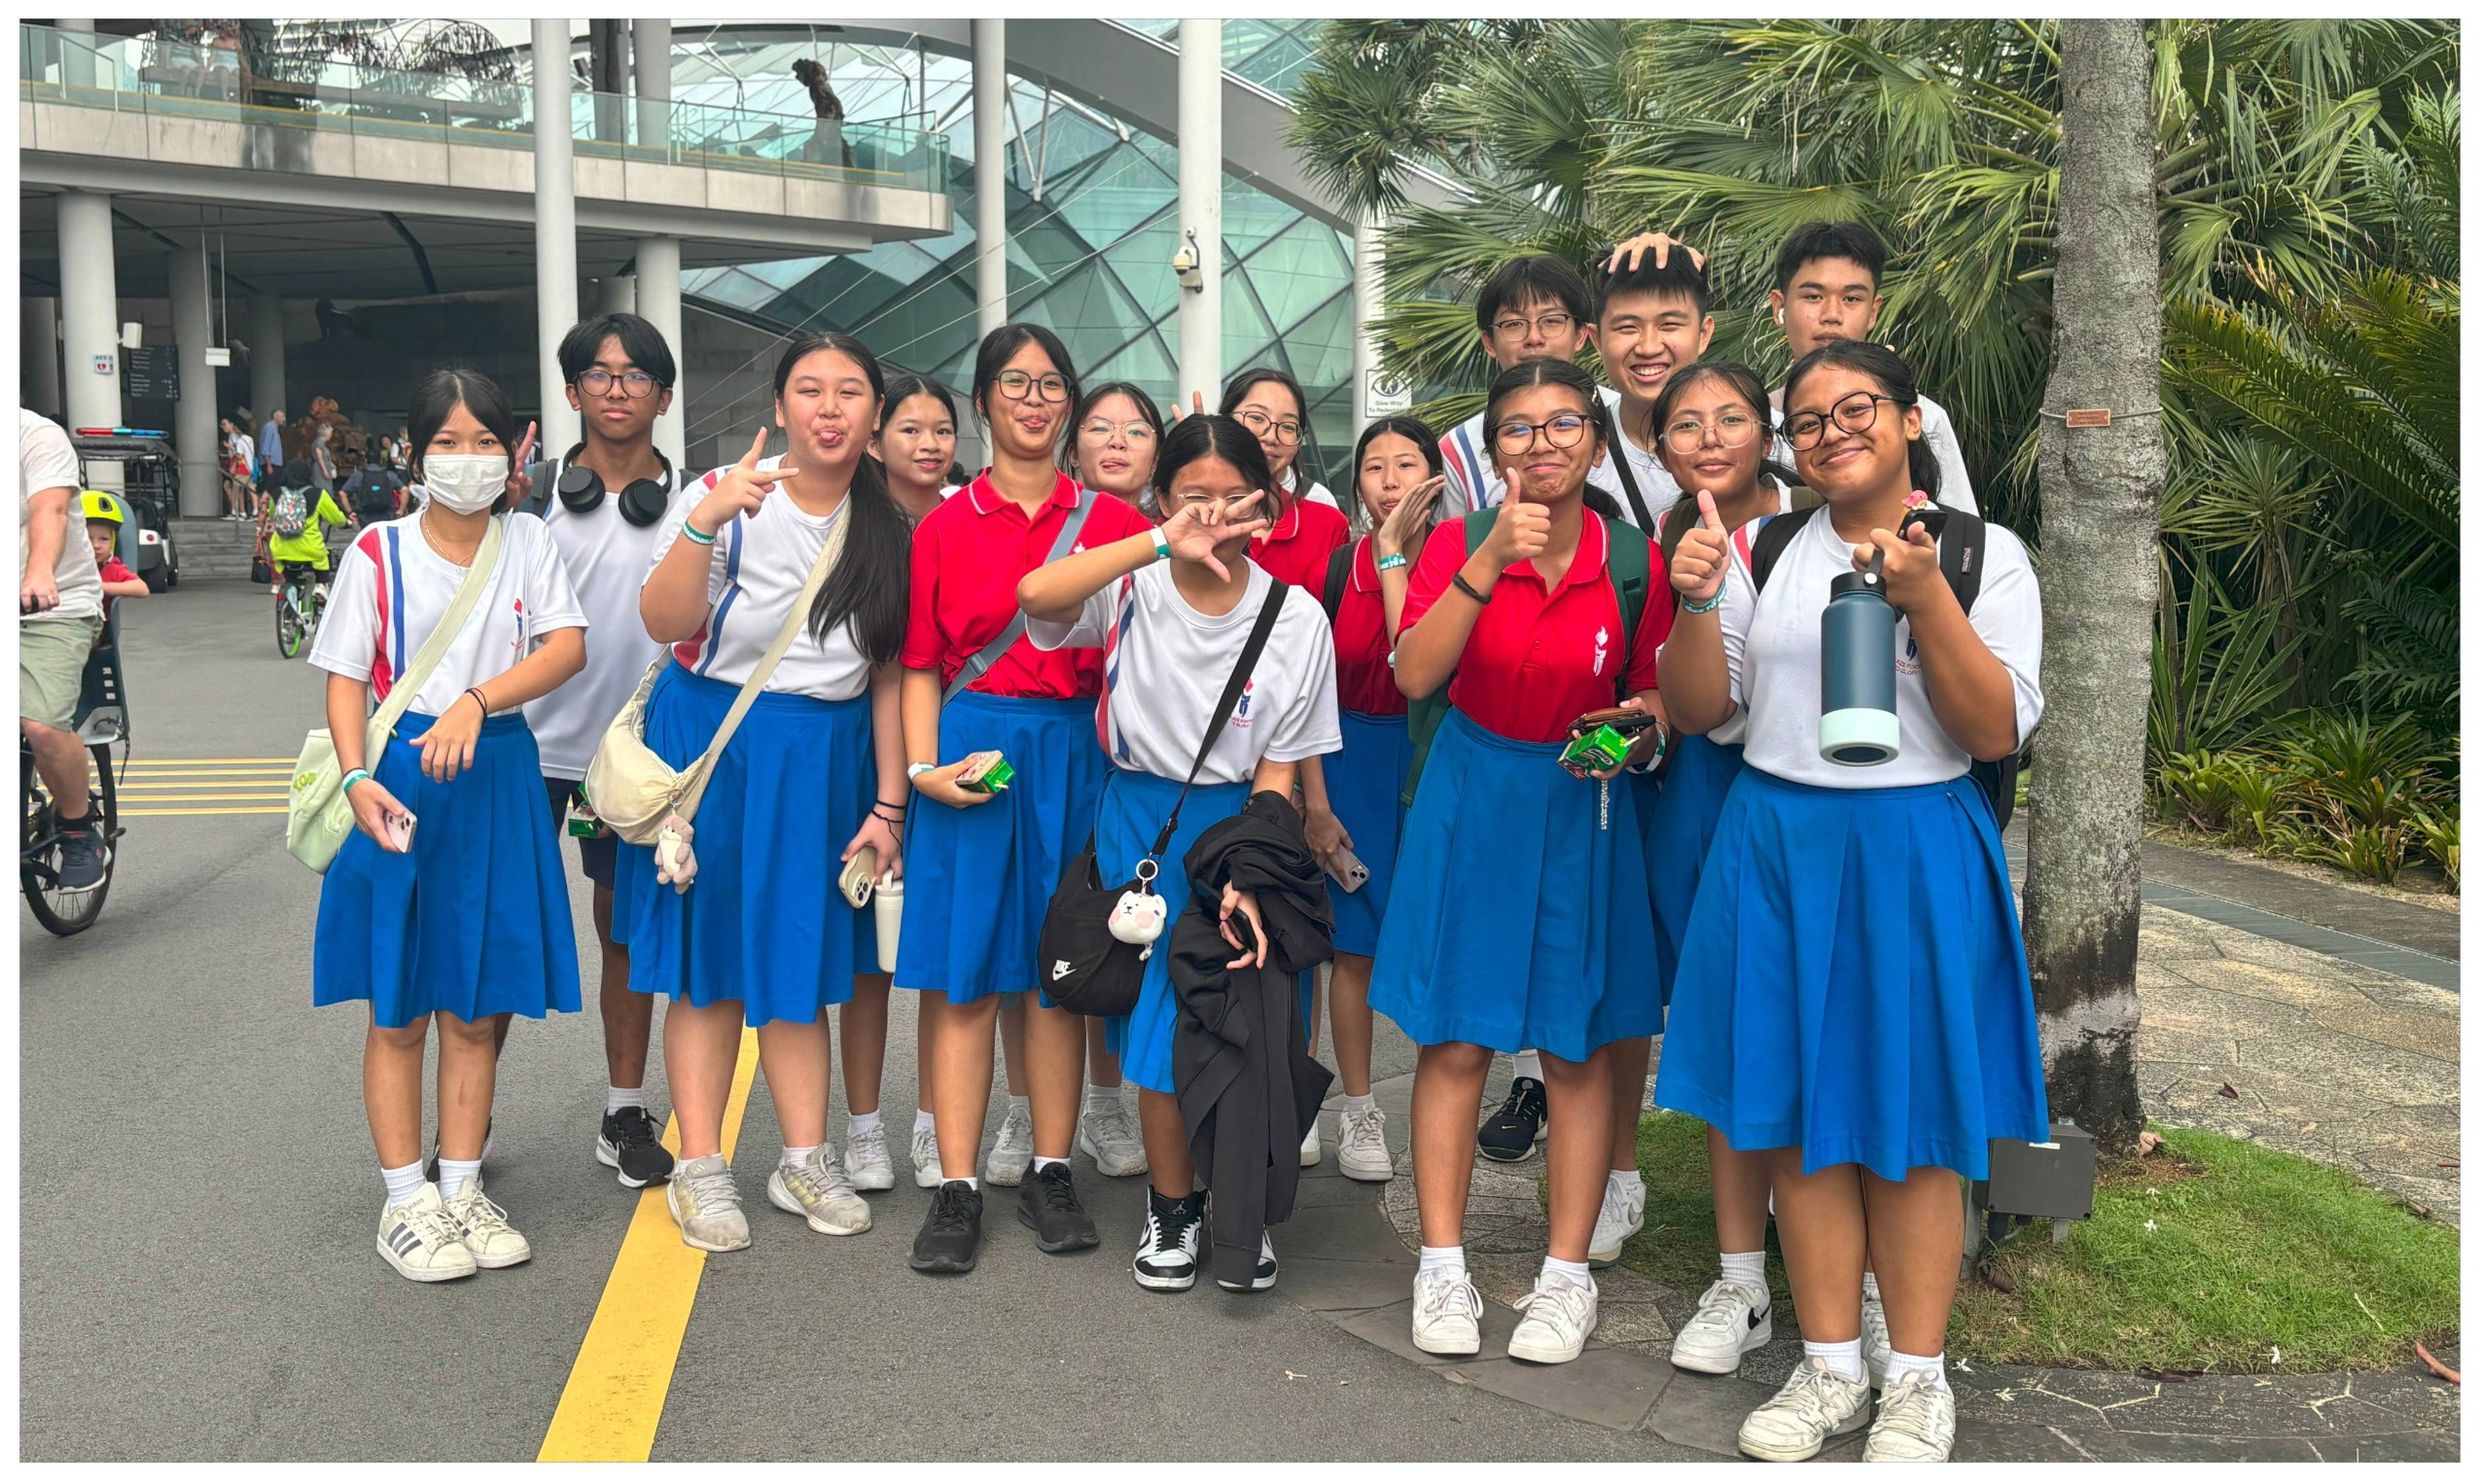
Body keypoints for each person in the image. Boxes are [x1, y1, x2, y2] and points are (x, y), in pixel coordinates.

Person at [1655, 339, 2045, 1462]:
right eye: (1809, 420)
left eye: (1856, 408)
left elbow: (1992, 730)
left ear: (1911, 419)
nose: (1832, 433)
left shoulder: (1981, 553)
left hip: (1913, 843)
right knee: (1796, 1113)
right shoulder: (1765, 546)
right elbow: (1700, 708)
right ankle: (1830, 1365)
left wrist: (1927, 602)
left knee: (1912, 1122)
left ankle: (1917, 1378)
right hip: (1778, 839)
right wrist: (1693, 602)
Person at [1371, 357, 1668, 1365]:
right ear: (1493, 448)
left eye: (1564, 424)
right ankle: (1441, 1263)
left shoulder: (1631, 559)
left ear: (1596, 440)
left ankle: (1566, 1275)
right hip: (1474, 789)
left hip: (1581, 800)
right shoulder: (1460, 541)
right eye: (1518, 427)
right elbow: (1416, 672)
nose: (1542, 443)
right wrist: (1489, 556)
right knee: (1456, 1039)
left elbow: (1656, 695)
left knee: (1574, 1045)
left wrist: (1632, 732)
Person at [1018, 414, 1341, 1294]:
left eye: (1235, 498)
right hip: (1144, 829)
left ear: (1266, 504)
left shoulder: (1296, 616)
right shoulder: (1129, 585)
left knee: (1247, 1019)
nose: (1215, 516)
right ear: (1160, 499)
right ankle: (1172, 1205)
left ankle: (1240, 1206)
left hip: (1244, 827)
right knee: (1162, 1027)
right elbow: (1036, 596)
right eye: (1193, 497)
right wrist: (1158, 541)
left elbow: (1280, 766)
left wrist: (1249, 875)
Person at [621, 331, 912, 1255]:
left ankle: (803, 1159)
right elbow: (663, 621)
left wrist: (889, 803)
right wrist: (706, 520)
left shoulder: (891, 527)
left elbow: (891, 675)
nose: (830, 408)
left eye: (850, 391)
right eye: (809, 390)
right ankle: (701, 1166)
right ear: (780, 406)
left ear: (875, 414)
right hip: (717, 744)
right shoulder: (728, 494)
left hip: (824, 758)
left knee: (800, 959)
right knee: (705, 963)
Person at [309, 367, 588, 1283]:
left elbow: (566, 647)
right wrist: (355, 778)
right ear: (416, 454)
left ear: (513, 453)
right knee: (399, 1004)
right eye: (447, 443)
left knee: (475, 1005)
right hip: (400, 781)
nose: (468, 460)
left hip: (497, 769)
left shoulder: (528, 539)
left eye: (485, 442)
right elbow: (345, 677)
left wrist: (477, 701)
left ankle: (461, 1187)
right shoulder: (377, 551)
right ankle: (405, 1201)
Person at [897, 324, 1161, 1273]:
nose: (1035, 399)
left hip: (1078, 756)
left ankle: (1053, 1168)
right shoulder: (944, 524)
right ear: (983, 401)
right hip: (973, 754)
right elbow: (918, 664)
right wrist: (921, 770)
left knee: (1061, 971)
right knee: (965, 976)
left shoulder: (1116, 521)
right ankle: (957, 1185)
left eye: (1052, 384)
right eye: (1016, 382)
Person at [1609, 364, 1807, 1341]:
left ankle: (1837, 1247)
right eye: (1685, 424)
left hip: (1816, 796)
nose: (1710, 437)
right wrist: (1626, 727)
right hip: (1700, 790)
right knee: (1725, 1007)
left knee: (1816, 1008)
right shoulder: (1663, 546)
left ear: (1769, 433)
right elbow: (1671, 699)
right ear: (1659, 447)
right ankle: (1742, 1270)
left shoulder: (1818, 530)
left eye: (1732, 418)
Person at [519, 311, 686, 1191]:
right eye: (599, 374)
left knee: (623, 929)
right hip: (526, 747)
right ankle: (465, 1126)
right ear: (573, 389)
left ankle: (624, 1110)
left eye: (636, 376)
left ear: (664, 395)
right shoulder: (534, 497)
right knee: (502, 926)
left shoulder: (693, 501)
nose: (617, 390)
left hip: (635, 760)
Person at [1297, 415, 1444, 1184]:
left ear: (1436, 477)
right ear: (1356, 485)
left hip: (1434, 765)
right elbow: (1305, 698)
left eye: (1406, 464)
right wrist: (1314, 801)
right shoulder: (1335, 572)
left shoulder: (1464, 562)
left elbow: (1433, 669)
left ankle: (1441, 1118)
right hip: (1349, 762)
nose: (1390, 480)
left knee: (1431, 947)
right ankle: (1357, 1110)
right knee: (1349, 952)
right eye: (1375, 467)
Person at [1769, 221, 1975, 512]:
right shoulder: (1752, 424)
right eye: (1813, 296)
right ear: (1779, 306)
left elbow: (1958, 525)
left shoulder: (1921, 415)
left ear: (1873, 311)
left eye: (1852, 298)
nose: (1832, 314)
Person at [18, 408, 110, 892]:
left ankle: (78, 830)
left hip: (53, 607)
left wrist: (39, 572)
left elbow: (50, 510)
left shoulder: (36, 436)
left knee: (41, 724)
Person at [1217, 370, 1350, 587]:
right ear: (1224, 421)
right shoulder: (1185, 509)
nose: (1271, 437)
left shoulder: (1328, 525)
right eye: (1257, 418)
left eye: (1288, 426)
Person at [1065, 381, 1164, 520]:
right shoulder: (1048, 528)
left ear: (1156, 460)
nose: (1117, 442)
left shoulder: (1171, 532)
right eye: (1100, 428)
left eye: (1136, 432)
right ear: (1074, 454)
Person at [263, 457, 354, 603]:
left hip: (281, 549)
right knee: (322, 560)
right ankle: (321, 586)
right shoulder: (318, 494)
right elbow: (336, 518)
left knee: (289, 576)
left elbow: (273, 515)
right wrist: (346, 523)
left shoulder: (277, 493)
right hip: (309, 548)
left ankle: (289, 595)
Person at [875, 371, 960, 521]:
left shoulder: (971, 527)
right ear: (874, 445)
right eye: (911, 430)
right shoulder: (848, 527)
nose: (931, 445)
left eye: (942, 431)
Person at [81, 491, 150, 615]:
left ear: (113, 542)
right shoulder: (65, 568)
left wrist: (103, 587)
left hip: (98, 623)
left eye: (104, 539)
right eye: (88, 539)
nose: (96, 545)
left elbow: (142, 589)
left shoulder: (112, 569)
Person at [221, 415, 257, 519]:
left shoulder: (237, 439)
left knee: (237, 488)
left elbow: (239, 456)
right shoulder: (249, 438)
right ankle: (254, 511)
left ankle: (239, 512)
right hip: (249, 467)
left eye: (225, 424)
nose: (223, 427)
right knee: (250, 489)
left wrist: (231, 449)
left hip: (241, 467)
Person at [257, 406, 287, 517]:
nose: (284, 419)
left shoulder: (274, 428)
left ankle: (270, 510)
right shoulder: (270, 427)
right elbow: (266, 447)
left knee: (274, 487)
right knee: (269, 486)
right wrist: (269, 464)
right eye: (282, 416)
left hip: (275, 463)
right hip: (271, 463)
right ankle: (264, 508)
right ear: (276, 417)